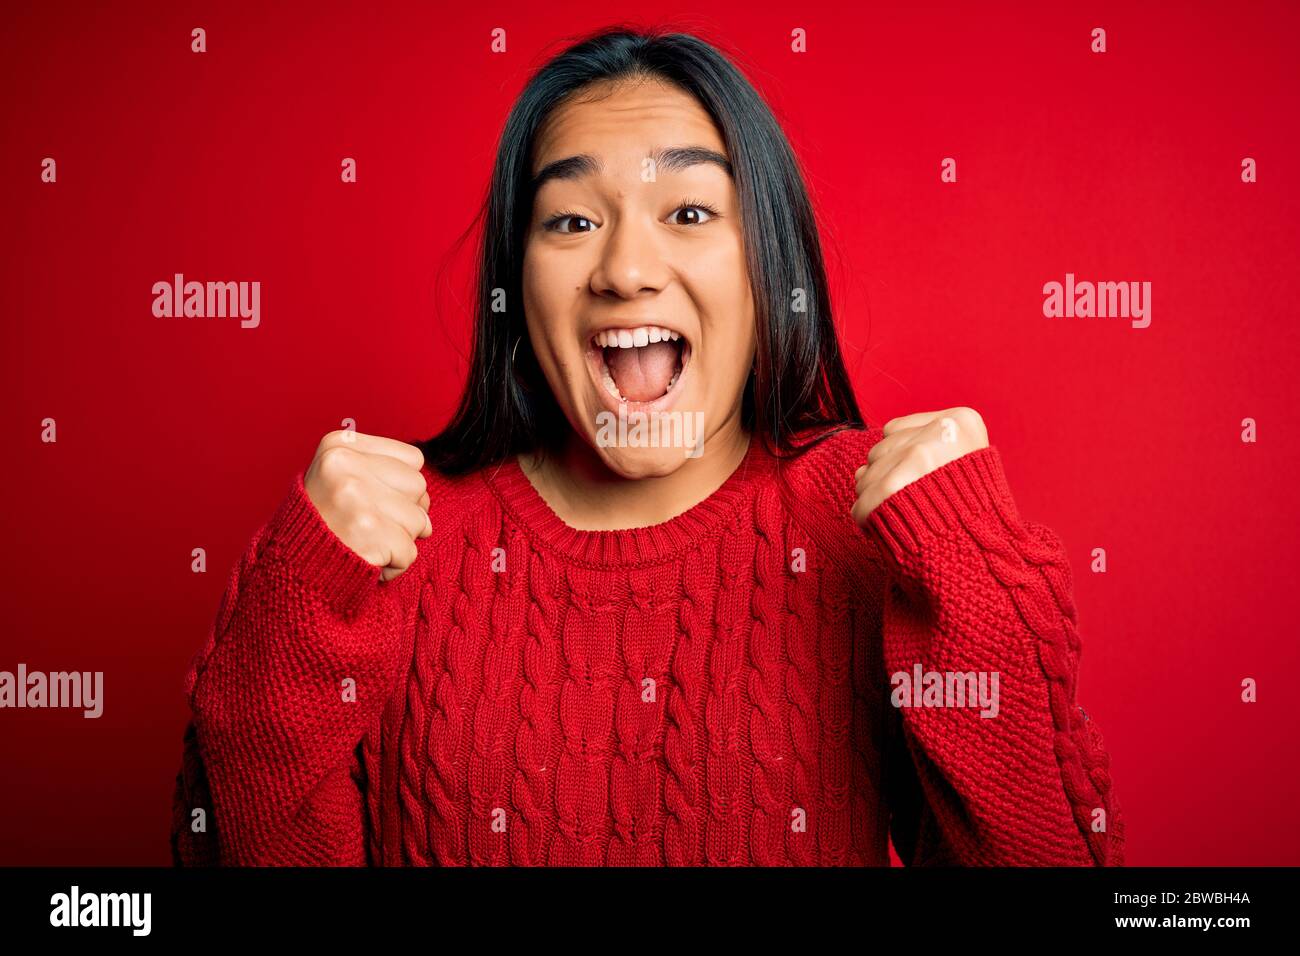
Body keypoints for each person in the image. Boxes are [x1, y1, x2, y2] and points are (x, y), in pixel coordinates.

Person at [170, 26, 1124, 867]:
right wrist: (294, 599)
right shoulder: (391, 547)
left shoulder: (869, 536)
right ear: (517, 281)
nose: (625, 269)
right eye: (573, 221)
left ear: (768, 264)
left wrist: (971, 568)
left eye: (690, 212)